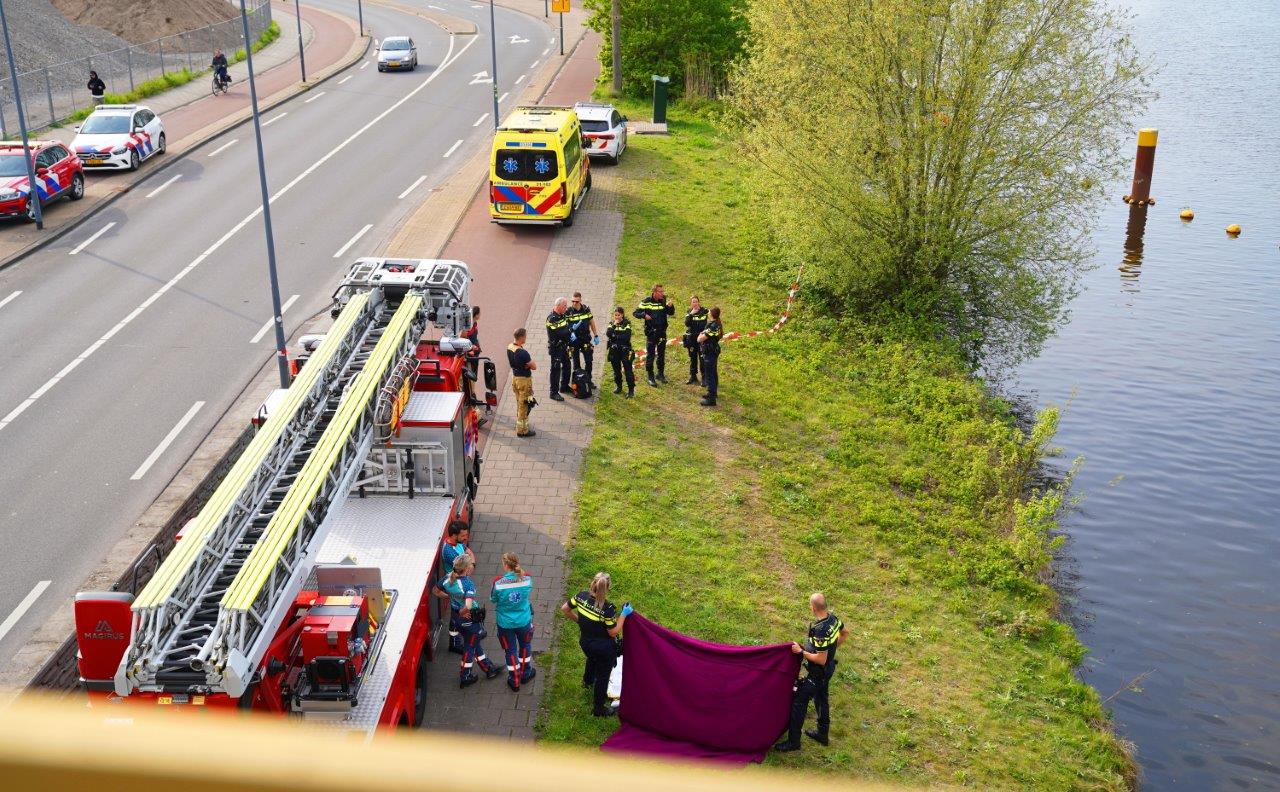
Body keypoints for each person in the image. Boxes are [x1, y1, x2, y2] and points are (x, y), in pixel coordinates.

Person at [774, 592, 847, 752]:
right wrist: (832, 650)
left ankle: (793, 742)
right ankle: (822, 734)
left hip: (818, 673)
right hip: (828, 670)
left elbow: (820, 660)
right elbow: (845, 633)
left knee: (799, 703)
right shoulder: (833, 619)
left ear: (813, 608)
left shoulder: (820, 631)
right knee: (822, 699)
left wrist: (801, 652)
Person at [560, 572, 631, 716]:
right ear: (607, 588)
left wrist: (579, 620)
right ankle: (599, 708)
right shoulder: (607, 608)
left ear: (593, 583)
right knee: (603, 677)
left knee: (591, 659)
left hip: (585, 642)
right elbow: (613, 632)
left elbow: (565, 609)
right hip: (603, 649)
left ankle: (587, 681)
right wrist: (624, 614)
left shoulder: (580, 596)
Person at [440, 556, 501, 688]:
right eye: (471, 565)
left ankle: (489, 668)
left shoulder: (447, 578)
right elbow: (467, 605)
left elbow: (435, 590)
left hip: (456, 619)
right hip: (469, 622)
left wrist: (450, 597)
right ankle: (465, 676)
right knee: (469, 648)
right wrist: (463, 611)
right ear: (467, 569)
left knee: (474, 643)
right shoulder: (467, 584)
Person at [490, 552, 535, 692]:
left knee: (510, 651)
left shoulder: (498, 583)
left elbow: (493, 600)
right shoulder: (527, 579)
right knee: (525, 646)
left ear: (505, 565)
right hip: (524, 621)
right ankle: (525, 673)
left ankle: (514, 680)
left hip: (505, 623)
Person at [433, 521, 474, 653]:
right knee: (458, 615)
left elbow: (468, 552)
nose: (465, 538)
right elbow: (469, 564)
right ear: (454, 535)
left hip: (459, 583)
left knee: (457, 615)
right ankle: (456, 642)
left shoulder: (457, 543)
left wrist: (471, 560)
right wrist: (451, 596)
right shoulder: (450, 552)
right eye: (463, 535)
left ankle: (455, 641)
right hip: (456, 586)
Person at [634, 284, 675, 387]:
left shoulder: (663, 300)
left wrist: (670, 307)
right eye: (660, 292)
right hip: (652, 333)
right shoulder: (647, 301)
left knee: (661, 354)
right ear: (654, 292)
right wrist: (644, 315)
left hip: (662, 332)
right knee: (651, 355)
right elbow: (635, 313)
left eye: (663, 291)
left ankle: (660, 374)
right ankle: (650, 376)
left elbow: (670, 313)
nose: (662, 293)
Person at [506, 328, 537, 437]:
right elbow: (534, 367)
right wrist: (528, 365)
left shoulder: (510, 347)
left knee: (519, 402)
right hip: (524, 380)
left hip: (515, 379)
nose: (526, 337)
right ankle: (522, 430)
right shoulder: (523, 352)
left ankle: (521, 425)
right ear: (522, 337)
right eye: (525, 336)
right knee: (524, 405)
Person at [566, 292, 599, 385]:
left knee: (589, 361)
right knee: (576, 363)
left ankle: (588, 380)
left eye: (576, 301)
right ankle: (578, 382)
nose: (574, 303)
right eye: (572, 301)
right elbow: (565, 326)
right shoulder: (568, 312)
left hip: (585, 339)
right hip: (574, 341)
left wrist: (596, 335)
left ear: (580, 300)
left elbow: (592, 322)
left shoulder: (586, 310)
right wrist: (571, 332)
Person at [545, 298, 572, 401]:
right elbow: (561, 332)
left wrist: (568, 330)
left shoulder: (562, 315)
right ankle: (553, 392)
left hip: (563, 346)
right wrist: (570, 331)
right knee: (556, 370)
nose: (566, 308)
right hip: (556, 348)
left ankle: (564, 386)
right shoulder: (551, 319)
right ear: (559, 306)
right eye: (564, 306)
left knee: (567, 365)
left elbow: (566, 327)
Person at [605, 307, 635, 397]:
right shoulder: (611, 324)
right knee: (616, 371)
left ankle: (631, 391)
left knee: (628, 371)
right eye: (615, 315)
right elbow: (608, 333)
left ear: (622, 315)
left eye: (618, 315)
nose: (617, 317)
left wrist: (615, 336)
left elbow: (626, 337)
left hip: (625, 351)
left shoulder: (627, 324)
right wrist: (614, 326)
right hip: (614, 351)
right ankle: (619, 387)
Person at [697, 306, 723, 407]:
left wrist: (700, 336)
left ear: (712, 314)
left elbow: (700, 339)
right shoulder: (716, 324)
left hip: (710, 352)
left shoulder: (713, 325)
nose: (708, 313)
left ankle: (711, 399)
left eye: (709, 312)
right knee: (713, 372)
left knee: (709, 375)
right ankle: (713, 393)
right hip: (713, 351)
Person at [682, 296, 709, 385]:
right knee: (693, 358)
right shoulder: (689, 312)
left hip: (702, 339)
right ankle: (693, 377)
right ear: (691, 304)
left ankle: (704, 378)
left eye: (696, 301)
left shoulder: (704, 311)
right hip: (692, 340)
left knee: (702, 359)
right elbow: (686, 323)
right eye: (693, 302)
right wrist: (691, 314)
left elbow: (712, 317)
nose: (695, 303)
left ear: (699, 302)